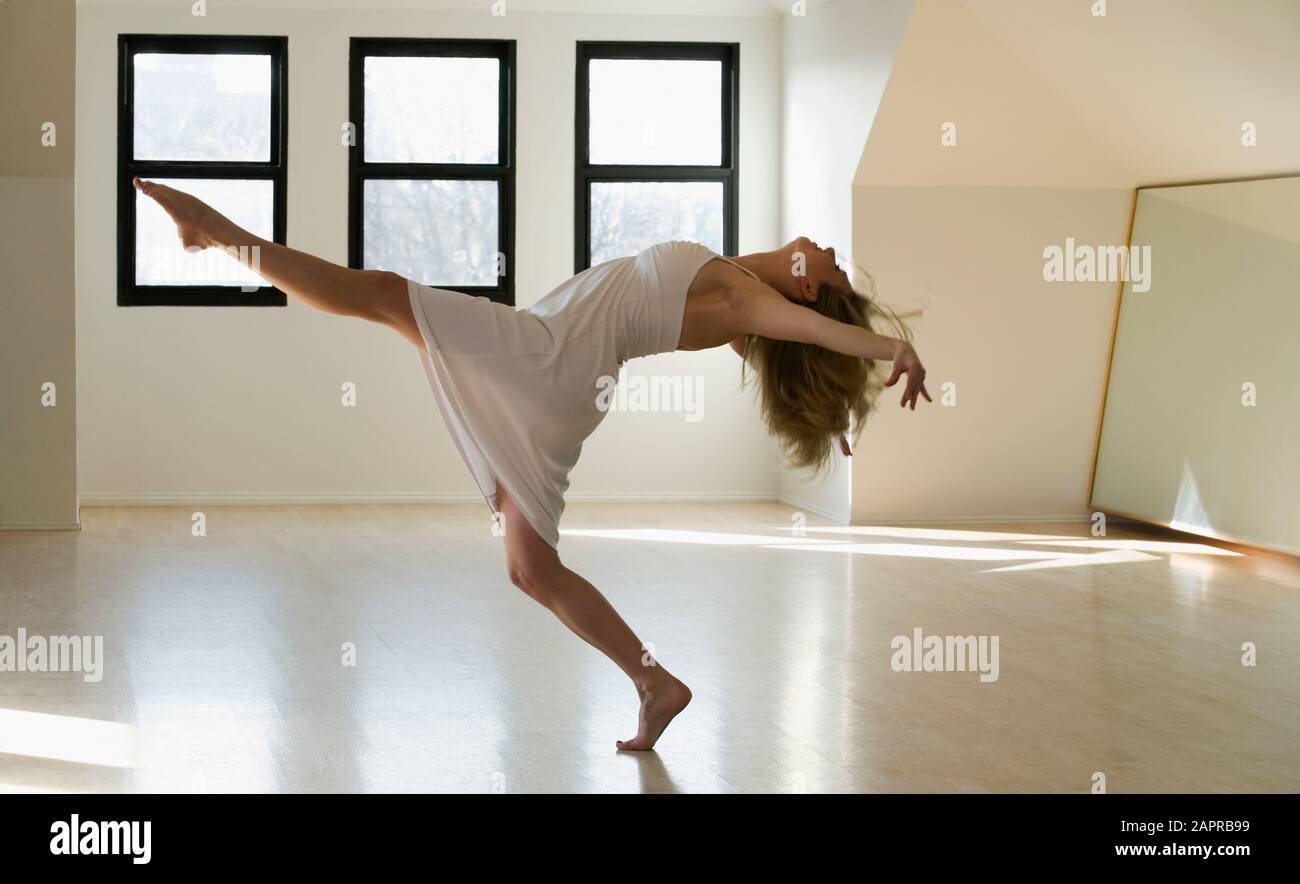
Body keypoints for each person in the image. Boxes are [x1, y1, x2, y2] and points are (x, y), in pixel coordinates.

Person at [134, 177, 931, 750]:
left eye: (829, 270)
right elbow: (795, 342)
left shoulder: (739, 297)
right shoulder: (731, 299)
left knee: (378, 294)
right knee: (530, 568)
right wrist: (833, 397)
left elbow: (804, 330)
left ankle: (218, 232)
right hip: (561, 380)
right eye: (830, 255)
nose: (827, 250)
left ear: (807, 294)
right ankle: (655, 681)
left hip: (541, 355)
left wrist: (883, 344)